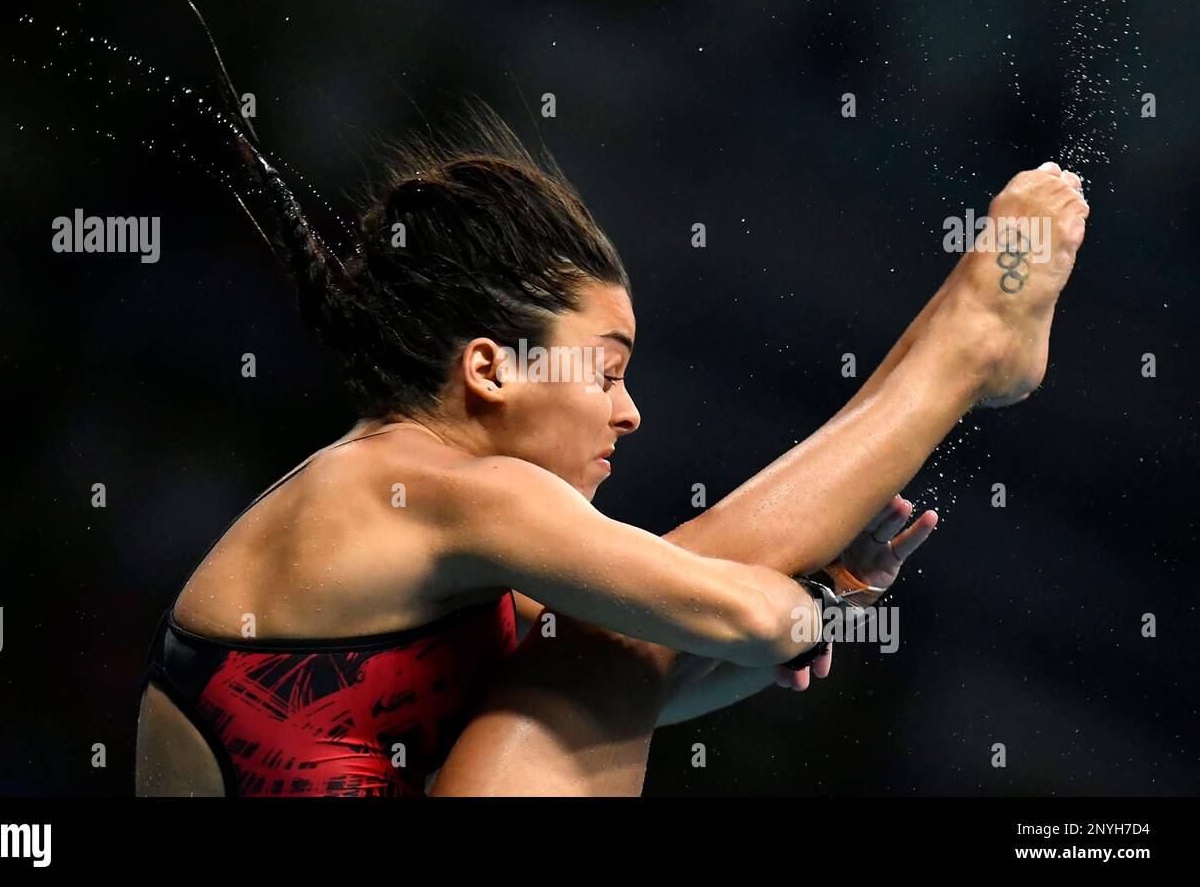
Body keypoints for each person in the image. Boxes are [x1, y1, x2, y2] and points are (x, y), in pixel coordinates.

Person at [135, 103, 1089, 796]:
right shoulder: (440, 490)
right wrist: (791, 609)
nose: (629, 415)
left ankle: (965, 347)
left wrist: (823, 597)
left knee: (600, 643)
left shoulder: (411, 530)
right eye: (605, 372)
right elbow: (743, 623)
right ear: (490, 370)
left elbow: (634, 689)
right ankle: (962, 353)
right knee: (612, 630)